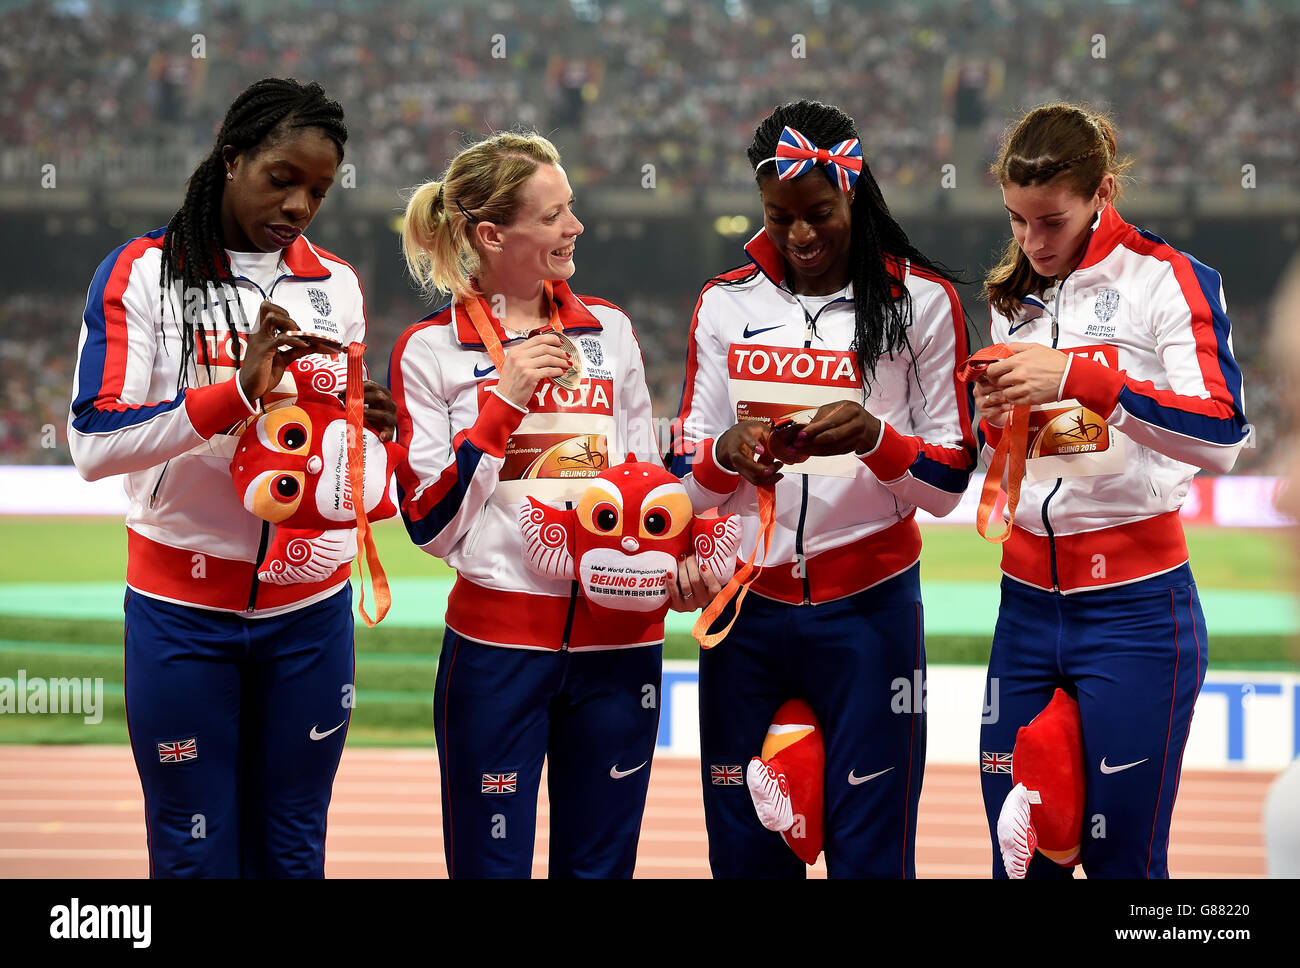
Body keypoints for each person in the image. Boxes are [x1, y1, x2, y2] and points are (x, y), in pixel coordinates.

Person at [68, 77, 396, 878]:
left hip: (309, 613)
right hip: (181, 613)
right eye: (281, 177)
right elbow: (92, 442)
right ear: (232, 157)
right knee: (194, 847)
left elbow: (324, 444)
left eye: (317, 190)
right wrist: (238, 394)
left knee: (292, 847)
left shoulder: (338, 285)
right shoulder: (143, 274)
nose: (298, 205)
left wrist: (361, 422)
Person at [669, 99, 978, 878]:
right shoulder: (724, 301)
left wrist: (877, 438)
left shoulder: (923, 303)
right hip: (744, 615)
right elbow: (682, 479)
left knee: (871, 856)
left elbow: (946, 485)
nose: (800, 235)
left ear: (855, 194)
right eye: (779, 217)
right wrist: (724, 458)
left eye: (818, 213)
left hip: (871, 616)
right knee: (745, 855)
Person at [392, 132, 714, 878]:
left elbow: (647, 482)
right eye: (555, 215)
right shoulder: (430, 351)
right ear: (492, 234)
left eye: (571, 210)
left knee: (599, 870)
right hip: (497, 650)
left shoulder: (611, 333)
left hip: (620, 645)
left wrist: (683, 559)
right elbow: (432, 527)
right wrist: (503, 401)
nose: (576, 228)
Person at [973, 103, 1251, 878]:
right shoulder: (1012, 295)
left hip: (1135, 613)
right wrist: (998, 423)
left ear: (1101, 191)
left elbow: (1223, 437)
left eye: (1051, 221)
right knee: (1021, 861)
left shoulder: (1169, 279)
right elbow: (1032, 448)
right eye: (1017, 220)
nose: (1032, 242)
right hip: (1023, 608)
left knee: (1120, 861)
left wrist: (1083, 379)